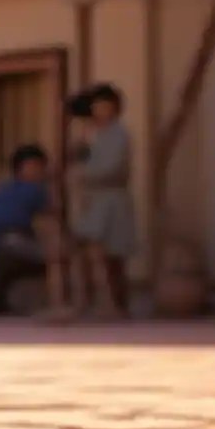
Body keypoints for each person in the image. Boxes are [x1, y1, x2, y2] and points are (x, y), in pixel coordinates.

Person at [71, 83, 137, 319]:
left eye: (105, 105)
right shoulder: (90, 133)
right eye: (97, 106)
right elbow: (78, 159)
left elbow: (114, 168)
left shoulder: (120, 134)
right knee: (93, 252)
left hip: (113, 197)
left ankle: (118, 304)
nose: (100, 110)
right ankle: (97, 302)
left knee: (114, 257)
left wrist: (84, 175)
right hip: (93, 200)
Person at [0, 144, 70, 319]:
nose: (41, 171)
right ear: (24, 168)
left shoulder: (4, 189)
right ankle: (56, 304)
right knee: (56, 256)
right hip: (11, 243)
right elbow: (51, 218)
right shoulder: (34, 189)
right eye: (38, 166)